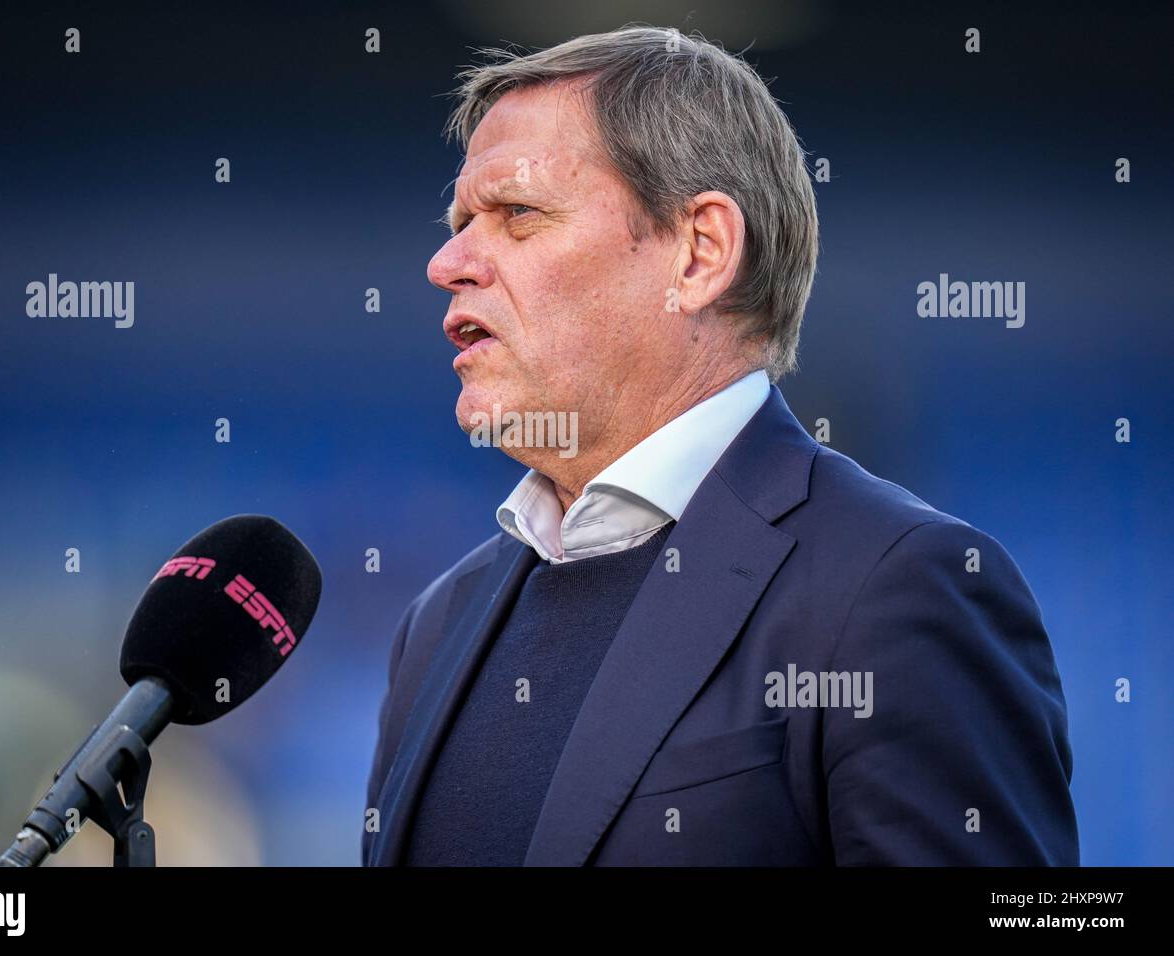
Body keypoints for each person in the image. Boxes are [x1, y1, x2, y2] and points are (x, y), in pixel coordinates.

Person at [362, 26, 1078, 866]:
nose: (447, 261)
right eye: (458, 223)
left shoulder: (896, 590)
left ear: (699, 253)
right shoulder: (437, 623)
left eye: (516, 213)